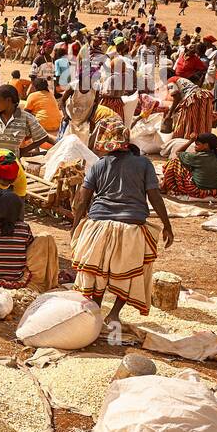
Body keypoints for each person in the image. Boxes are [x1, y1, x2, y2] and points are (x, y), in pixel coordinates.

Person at [71, 118, 174, 325]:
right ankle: (114, 314)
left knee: (97, 272)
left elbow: (82, 199)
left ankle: (96, 310)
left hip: (98, 226)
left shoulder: (98, 165)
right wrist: (167, 225)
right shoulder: (144, 163)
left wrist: (75, 227)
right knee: (128, 274)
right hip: (132, 227)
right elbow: (154, 195)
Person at [0, 84, 51, 156]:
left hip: (11, 165)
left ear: (8, 100)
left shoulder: (26, 118)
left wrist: (23, 151)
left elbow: (43, 137)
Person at [159, 134, 217, 200]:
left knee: (175, 161)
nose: (195, 146)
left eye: (197, 144)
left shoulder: (197, 157)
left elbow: (178, 152)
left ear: (206, 145)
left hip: (200, 189)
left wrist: (190, 141)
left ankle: (163, 186)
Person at [166, 77, 214, 143]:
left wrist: (169, 114)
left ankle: (184, 143)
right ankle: (203, 142)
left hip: (193, 98)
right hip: (204, 96)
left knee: (186, 122)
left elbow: (177, 97)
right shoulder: (180, 79)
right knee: (201, 121)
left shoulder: (170, 81)